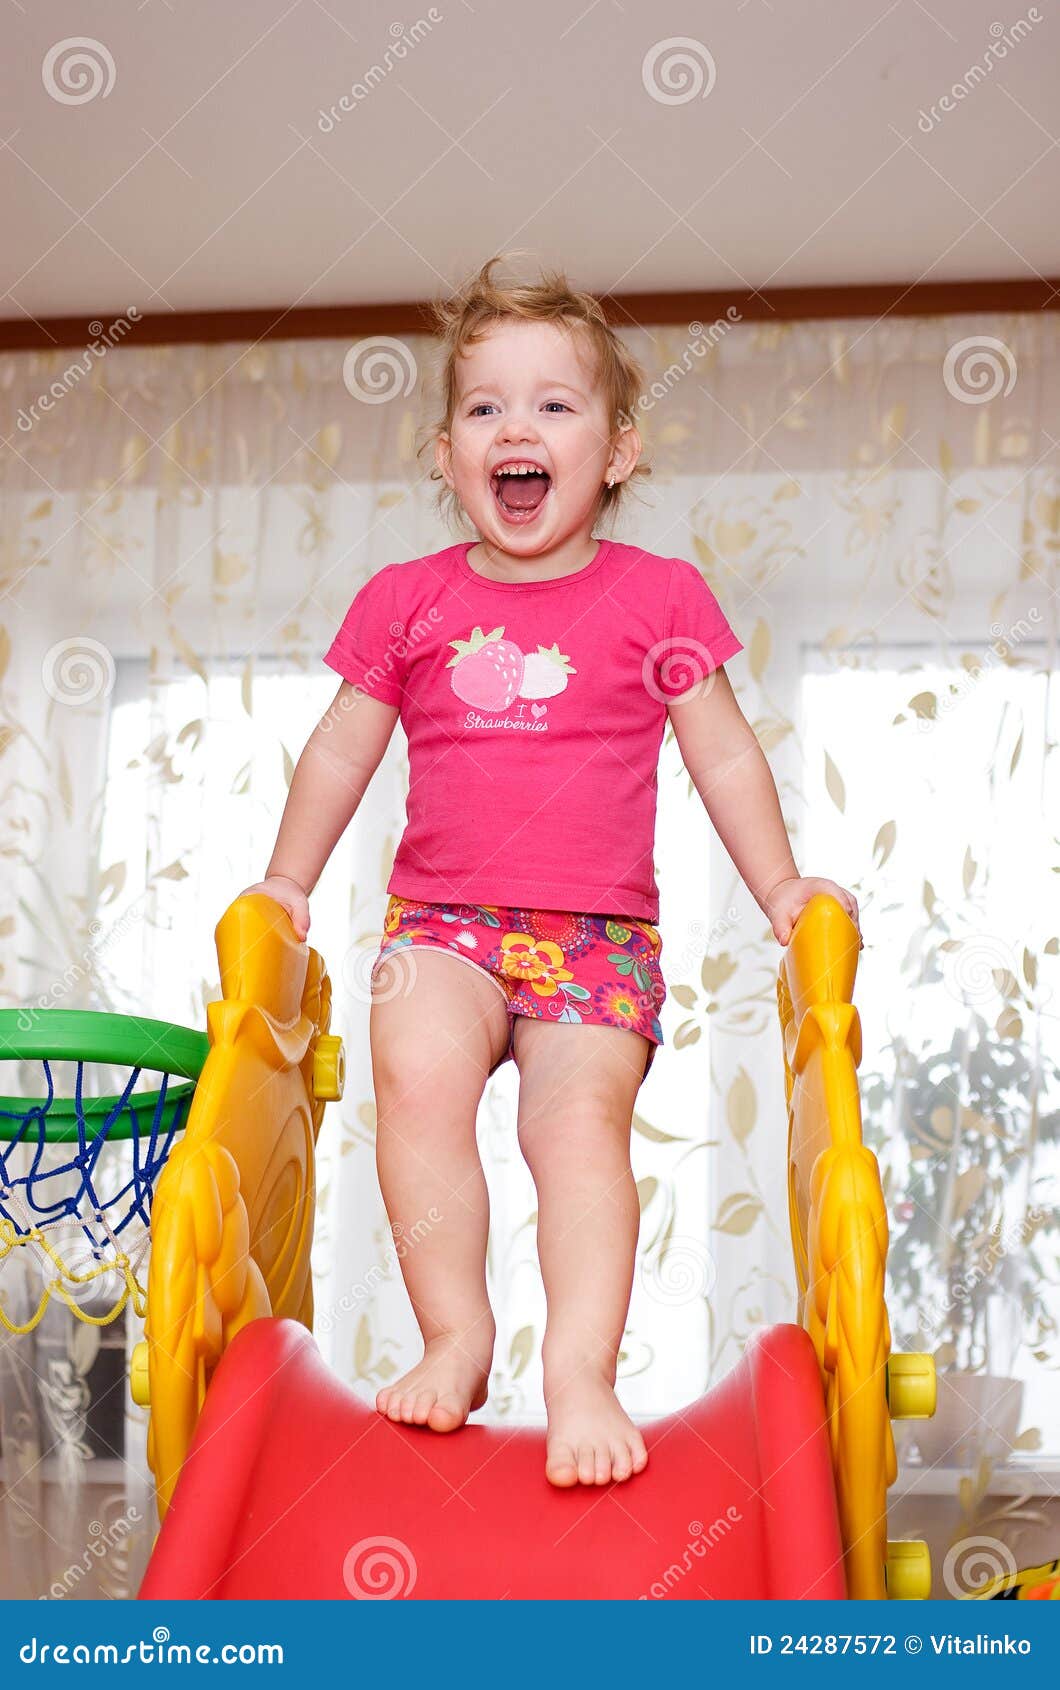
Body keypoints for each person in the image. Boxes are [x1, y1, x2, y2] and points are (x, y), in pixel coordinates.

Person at [242, 255, 861, 1489]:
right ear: (444, 451)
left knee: (573, 1130)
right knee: (414, 1084)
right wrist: (286, 881)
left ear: (618, 452)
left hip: (596, 937)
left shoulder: (658, 597)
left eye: (554, 405)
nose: (515, 427)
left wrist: (783, 887)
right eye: (484, 408)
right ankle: (456, 1334)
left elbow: (726, 754)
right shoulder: (409, 601)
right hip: (443, 923)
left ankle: (580, 1369)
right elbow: (339, 749)